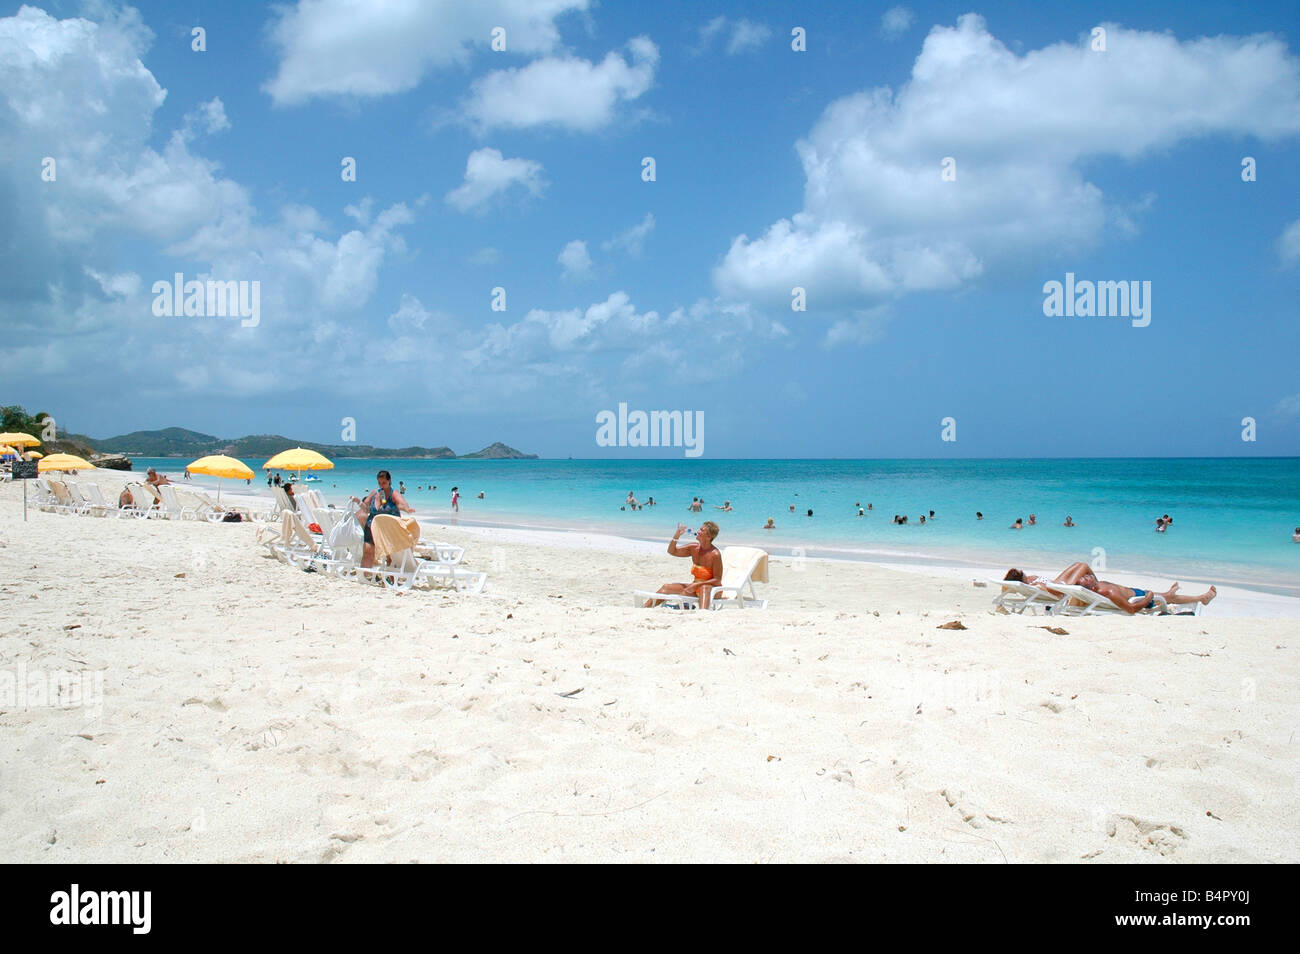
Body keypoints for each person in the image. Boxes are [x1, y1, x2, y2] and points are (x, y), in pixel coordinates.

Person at [644, 521, 723, 609]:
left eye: (702, 530)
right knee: (666, 587)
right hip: (694, 587)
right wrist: (677, 536)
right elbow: (672, 551)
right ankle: (644, 608)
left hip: (712, 590)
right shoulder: (694, 548)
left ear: (708, 537)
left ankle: (703, 613)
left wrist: (697, 585)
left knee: (704, 587)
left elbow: (717, 580)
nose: (698, 531)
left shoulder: (715, 554)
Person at [357, 470, 414, 569]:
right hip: (372, 527)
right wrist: (357, 501)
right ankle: (365, 575)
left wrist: (406, 509)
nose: (381, 485)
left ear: (389, 481)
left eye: (384, 483)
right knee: (367, 551)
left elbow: (401, 503)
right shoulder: (376, 492)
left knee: (390, 557)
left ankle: (389, 578)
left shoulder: (394, 493)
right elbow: (365, 507)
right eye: (379, 483)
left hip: (388, 530)